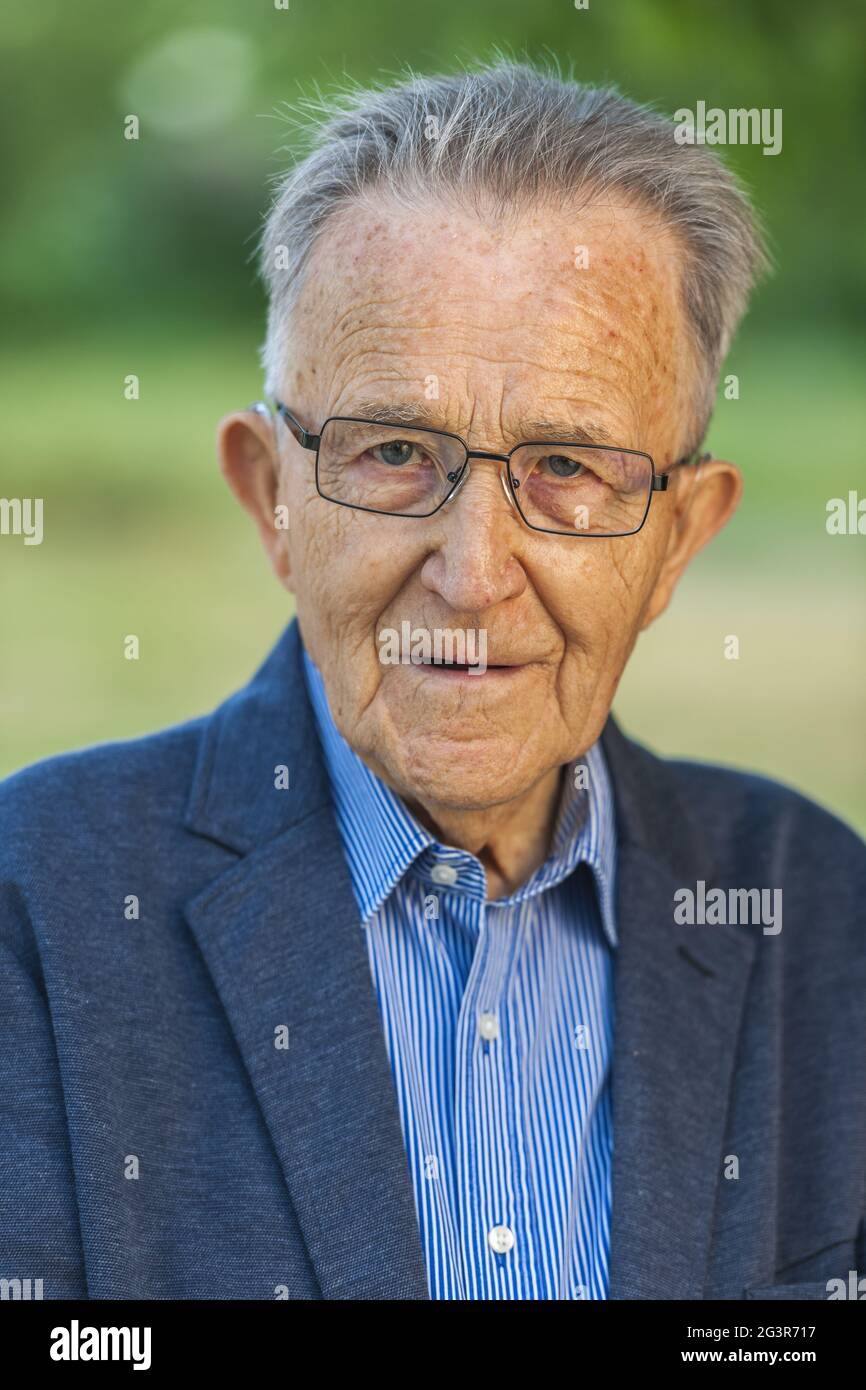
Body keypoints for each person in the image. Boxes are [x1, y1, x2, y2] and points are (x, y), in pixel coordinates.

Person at [2, 61, 864, 1301]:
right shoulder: (35, 908)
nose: (471, 573)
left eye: (568, 465)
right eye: (395, 451)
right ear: (271, 496)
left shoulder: (817, 912)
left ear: (677, 537)